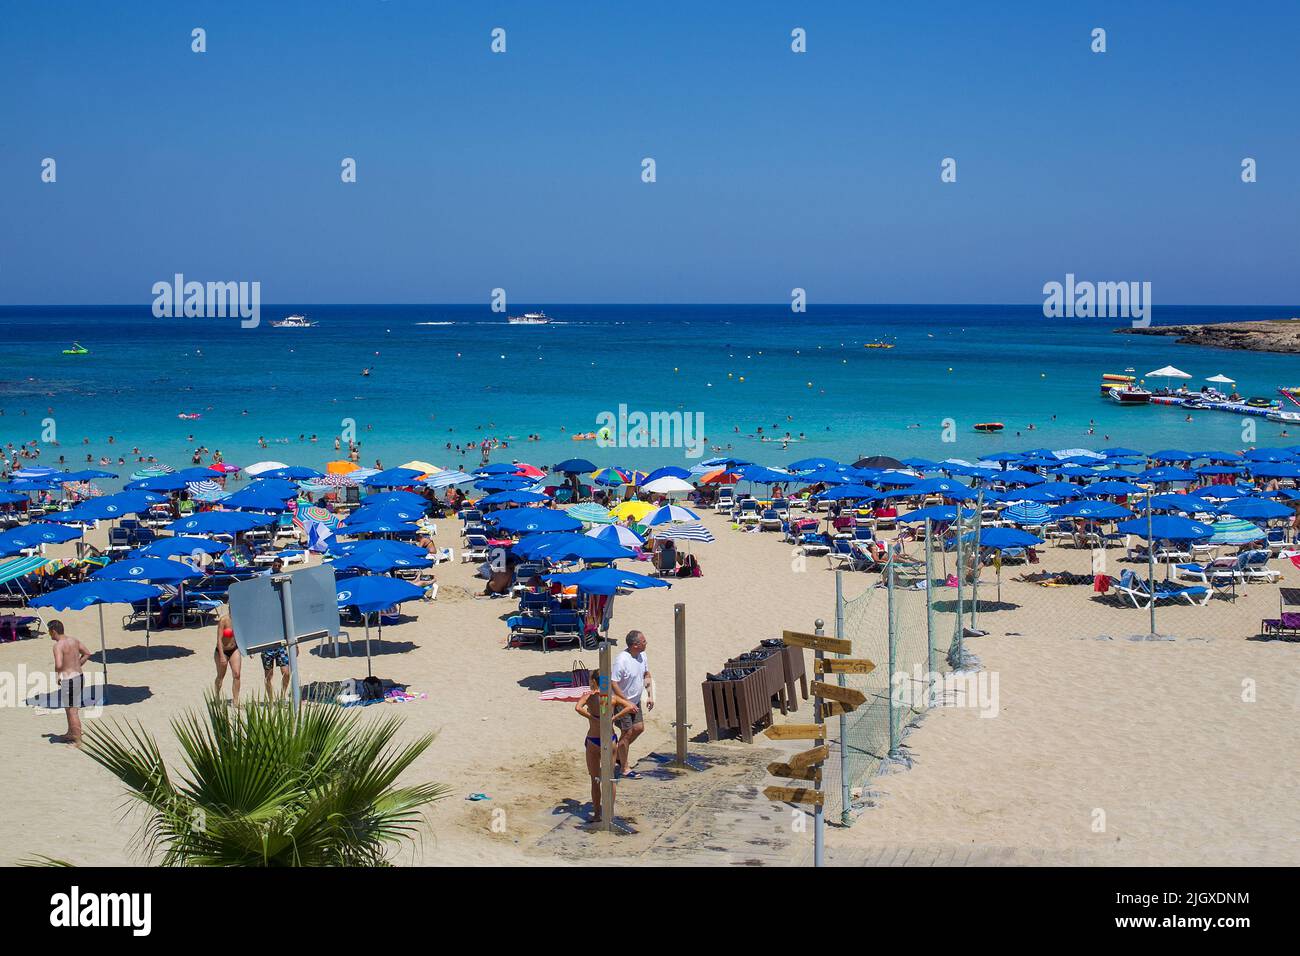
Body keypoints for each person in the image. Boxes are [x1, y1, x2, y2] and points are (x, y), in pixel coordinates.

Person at [575, 672, 635, 823]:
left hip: (594, 739)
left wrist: (591, 717)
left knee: (595, 779)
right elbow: (630, 706)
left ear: (594, 682)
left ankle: (596, 814)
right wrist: (614, 717)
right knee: (610, 778)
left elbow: (577, 707)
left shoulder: (590, 697)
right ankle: (609, 812)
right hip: (609, 738)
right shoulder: (610, 698)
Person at [612, 630, 654, 777]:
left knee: (639, 728)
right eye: (643, 641)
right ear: (635, 645)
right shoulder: (621, 660)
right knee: (627, 732)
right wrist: (625, 702)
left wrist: (650, 695)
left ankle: (618, 754)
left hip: (635, 701)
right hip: (621, 702)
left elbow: (646, 674)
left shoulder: (643, 656)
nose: (646, 643)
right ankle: (624, 767)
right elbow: (613, 683)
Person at [49, 620, 90, 745]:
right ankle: (70, 733)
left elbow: (59, 664)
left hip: (69, 679)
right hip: (79, 676)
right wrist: (78, 664)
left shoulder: (58, 646)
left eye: (49, 632)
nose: (49, 635)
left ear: (54, 631)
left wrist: (58, 674)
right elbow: (87, 653)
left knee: (72, 710)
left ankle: (77, 739)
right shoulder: (74, 640)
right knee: (69, 708)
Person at [214, 611, 241, 706]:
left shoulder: (240, 619)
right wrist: (221, 656)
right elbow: (219, 639)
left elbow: (244, 635)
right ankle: (217, 696)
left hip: (234, 649)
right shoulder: (224, 620)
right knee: (221, 676)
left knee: (237, 674)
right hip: (222, 651)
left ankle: (235, 701)